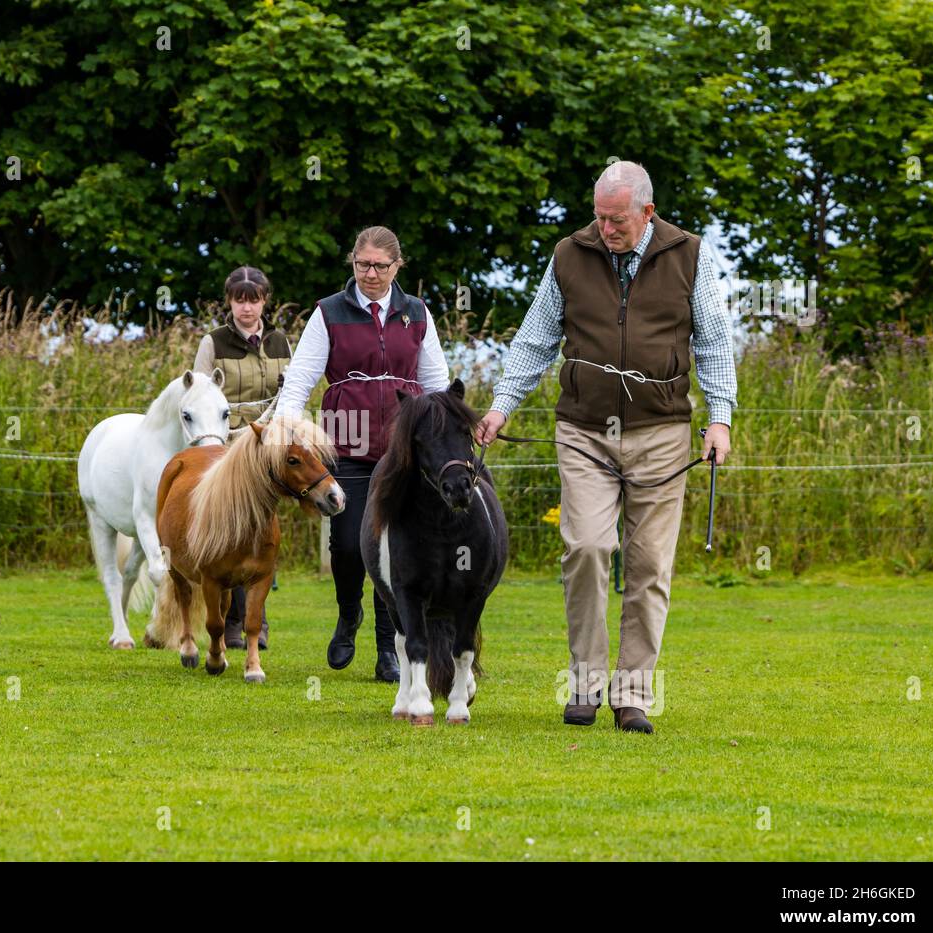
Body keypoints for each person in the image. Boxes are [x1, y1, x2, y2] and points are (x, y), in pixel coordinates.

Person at [476, 161, 738, 734]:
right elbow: (535, 337)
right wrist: (501, 405)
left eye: (616, 219)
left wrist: (720, 420)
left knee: (648, 565)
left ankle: (633, 695)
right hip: (585, 429)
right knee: (588, 547)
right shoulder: (570, 254)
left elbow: (715, 342)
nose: (605, 228)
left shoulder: (691, 255)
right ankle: (584, 686)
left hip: (663, 434)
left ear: (647, 212)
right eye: (598, 216)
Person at [274, 226, 451, 682]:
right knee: (352, 544)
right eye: (362, 264)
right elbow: (299, 380)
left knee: (397, 548)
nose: (370, 273)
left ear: (398, 266)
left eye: (380, 266)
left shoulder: (416, 314)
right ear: (352, 263)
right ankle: (348, 612)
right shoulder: (329, 313)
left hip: (402, 449)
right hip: (346, 444)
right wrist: (288, 425)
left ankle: (387, 649)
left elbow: (435, 382)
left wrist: (448, 431)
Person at [194, 265, 291, 650]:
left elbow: (293, 391)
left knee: (262, 534)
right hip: (226, 446)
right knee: (230, 533)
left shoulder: (281, 342)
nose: (246, 308)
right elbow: (199, 394)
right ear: (230, 302)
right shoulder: (212, 342)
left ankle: (256, 620)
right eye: (239, 300)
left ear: (265, 301)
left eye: (253, 300)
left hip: (267, 451)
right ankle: (233, 622)